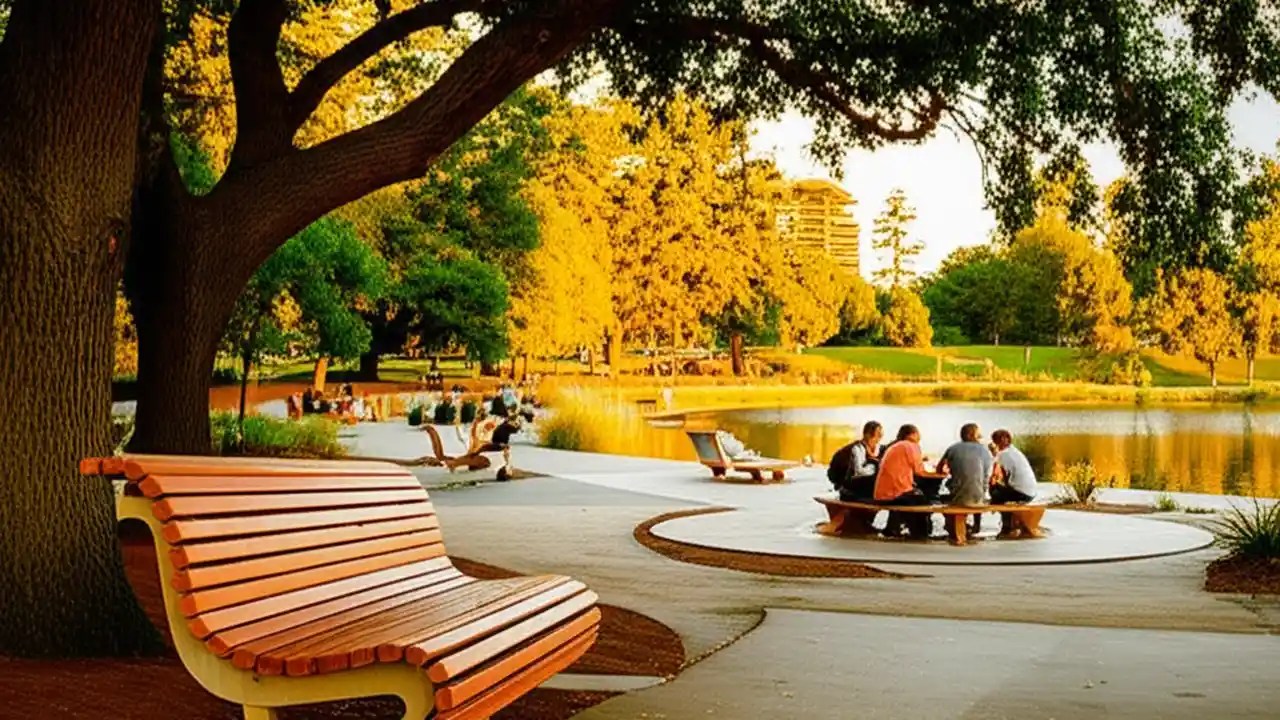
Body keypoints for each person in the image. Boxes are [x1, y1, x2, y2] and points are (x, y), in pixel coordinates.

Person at [874, 424, 947, 538]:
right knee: (924, 502)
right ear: (913, 434)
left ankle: (893, 528)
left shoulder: (895, 446)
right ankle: (921, 534)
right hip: (896, 495)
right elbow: (920, 472)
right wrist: (939, 474)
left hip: (882, 494)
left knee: (914, 495)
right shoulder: (911, 445)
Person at [937, 423, 995, 534]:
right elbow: (986, 474)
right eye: (978, 435)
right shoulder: (985, 451)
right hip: (979, 498)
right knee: (978, 486)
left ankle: (952, 525)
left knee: (942, 498)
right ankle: (976, 525)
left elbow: (939, 469)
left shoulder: (952, 449)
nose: (980, 437)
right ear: (972, 435)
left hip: (958, 498)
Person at [827, 421, 883, 500]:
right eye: (878, 435)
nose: (879, 439)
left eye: (880, 436)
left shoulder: (878, 449)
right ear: (867, 435)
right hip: (849, 486)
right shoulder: (856, 449)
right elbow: (859, 472)